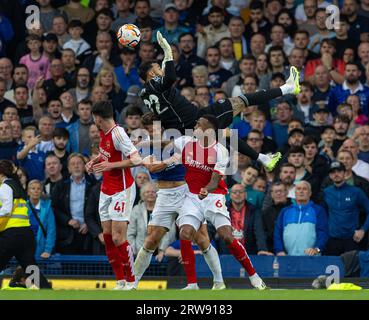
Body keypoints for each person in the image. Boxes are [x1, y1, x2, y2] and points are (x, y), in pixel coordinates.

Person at [139, 31, 301, 172]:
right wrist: (168, 53)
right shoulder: (154, 83)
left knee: (227, 133)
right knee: (240, 101)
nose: (161, 70)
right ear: (151, 73)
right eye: (158, 68)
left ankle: (264, 159)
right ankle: (288, 88)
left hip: (186, 129)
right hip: (196, 121)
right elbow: (171, 78)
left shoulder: (144, 94)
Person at [133, 112, 226, 290]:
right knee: (152, 238)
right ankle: (133, 283)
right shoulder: (145, 149)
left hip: (186, 192)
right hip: (165, 195)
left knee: (201, 239)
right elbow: (153, 167)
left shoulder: (179, 142)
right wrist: (172, 159)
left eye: (156, 127)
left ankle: (219, 282)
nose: (153, 131)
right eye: (149, 129)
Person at [175, 114, 267, 290]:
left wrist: (206, 190)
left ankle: (254, 277)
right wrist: (142, 145)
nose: (194, 125)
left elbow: (215, 180)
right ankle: (192, 284)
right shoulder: (186, 141)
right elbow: (166, 145)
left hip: (213, 196)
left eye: (198, 124)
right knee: (185, 233)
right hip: (192, 197)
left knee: (226, 236)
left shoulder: (220, 151)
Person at [85, 101, 142, 290]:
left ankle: (132, 280)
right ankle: (120, 281)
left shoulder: (119, 134)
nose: (94, 122)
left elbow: (136, 159)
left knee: (119, 237)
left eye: (94, 118)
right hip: (106, 188)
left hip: (122, 189)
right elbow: (107, 154)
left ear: (98, 117)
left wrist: (110, 166)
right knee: (107, 236)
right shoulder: (103, 132)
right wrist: (94, 161)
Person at [0, 160, 50, 288]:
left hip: (12, 234)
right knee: (31, 268)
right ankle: (46, 290)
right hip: (26, 235)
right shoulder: (17, 185)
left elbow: (6, 209)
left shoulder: (5, 186)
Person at [323, 161, 369, 255]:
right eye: (333, 172)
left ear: (345, 173)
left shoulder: (356, 192)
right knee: (331, 268)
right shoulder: (326, 192)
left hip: (352, 239)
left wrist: (363, 230)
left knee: (352, 269)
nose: (336, 174)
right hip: (332, 239)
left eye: (339, 171)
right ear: (330, 176)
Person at [52, 153, 94, 255]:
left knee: (88, 269)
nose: (76, 166)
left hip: (88, 234)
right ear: (69, 168)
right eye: (73, 164)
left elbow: (98, 209)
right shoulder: (60, 186)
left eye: (79, 163)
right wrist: (68, 220)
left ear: (84, 166)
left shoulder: (93, 185)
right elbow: (54, 208)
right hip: (67, 235)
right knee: (68, 269)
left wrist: (89, 224)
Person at [274, 181, 329, 256]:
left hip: (312, 258)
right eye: (299, 189)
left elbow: (323, 232)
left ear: (310, 193)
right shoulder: (285, 211)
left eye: (305, 189)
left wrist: (317, 249)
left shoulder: (318, 210)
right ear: (295, 193)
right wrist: (279, 250)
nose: (301, 191)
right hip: (288, 258)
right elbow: (278, 233)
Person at [26, 179, 56, 259]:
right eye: (33, 188)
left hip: (41, 248)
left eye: (38, 189)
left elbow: (51, 230)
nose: (36, 191)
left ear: (41, 191)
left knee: (37, 271)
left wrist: (48, 250)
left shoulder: (47, 208)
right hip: (24, 247)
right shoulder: (22, 206)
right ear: (28, 192)